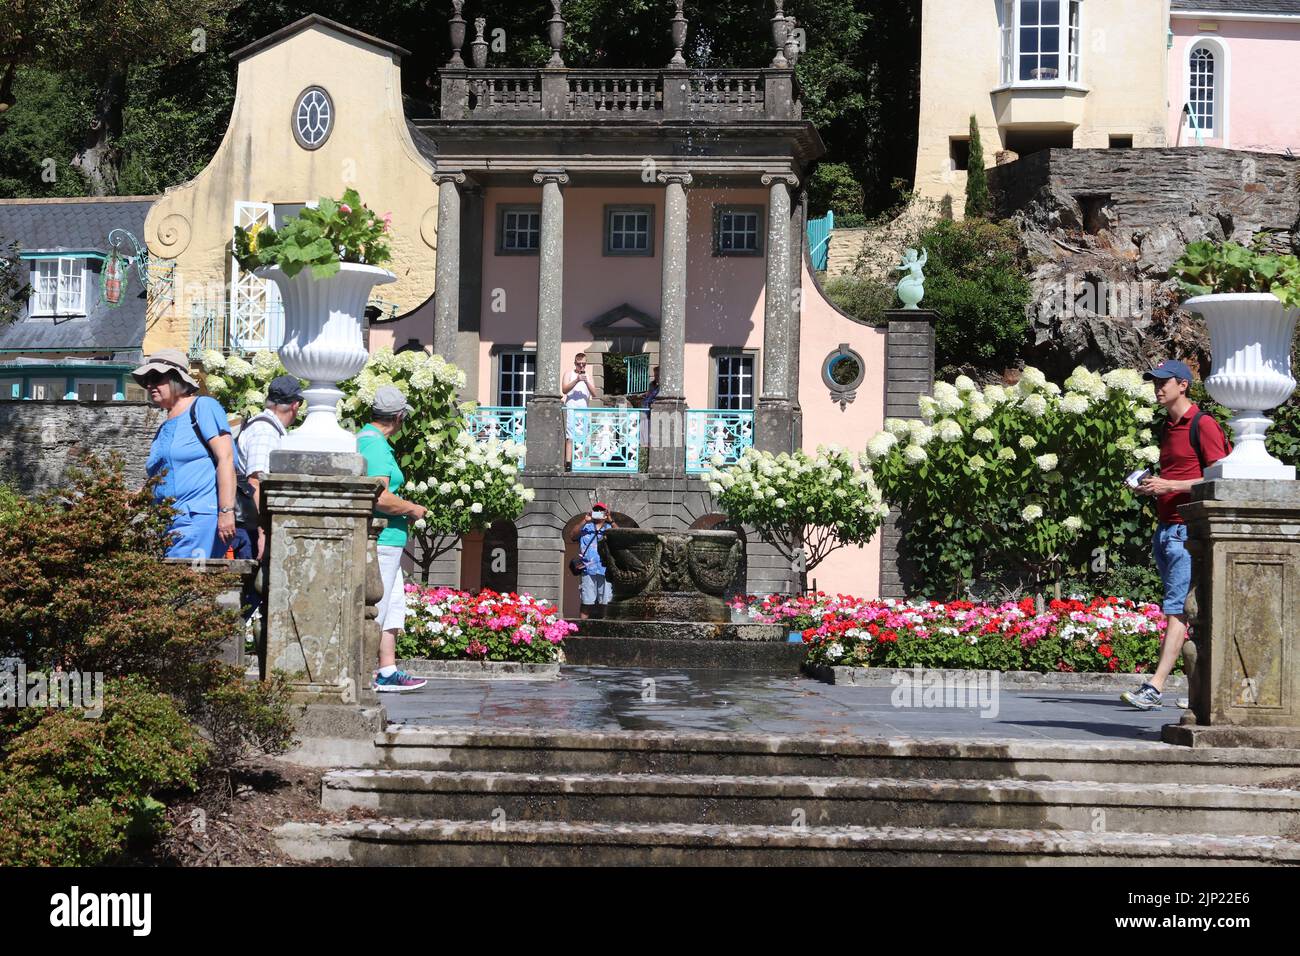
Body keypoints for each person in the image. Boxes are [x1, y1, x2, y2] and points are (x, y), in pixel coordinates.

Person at [1122, 359, 1229, 711]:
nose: (1157, 387)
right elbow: (1177, 473)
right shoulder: (1167, 427)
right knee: (1187, 613)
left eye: (1164, 382)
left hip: (1187, 531)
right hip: (1166, 529)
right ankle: (1201, 690)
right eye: (1155, 381)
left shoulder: (1204, 424)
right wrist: (1151, 484)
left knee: (1177, 610)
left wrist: (1172, 484)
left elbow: (1222, 477)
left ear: (1183, 385)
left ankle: (1155, 686)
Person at [136, 348, 252, 560]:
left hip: (196, 520)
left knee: (181, 586)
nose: (150, 385)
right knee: (176, 588)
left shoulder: (203, 407)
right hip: (167, 522)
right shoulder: (165, 425)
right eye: (147, 380)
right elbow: (162, 475)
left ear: (177, 379)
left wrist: (226, 512)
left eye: (155, 378)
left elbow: (226, 459)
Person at [357, 385, 428, 693]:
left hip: (390, 541)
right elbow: (379, 496)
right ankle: (363, 675)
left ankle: (387, 669)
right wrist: (412, 508)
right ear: (399, 417)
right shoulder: (374, 446)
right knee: (379, 606)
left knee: (392, 606)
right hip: (383, 539)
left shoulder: (367, 440)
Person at [236, 374, 304, 560]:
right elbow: (256, 482)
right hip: (249, 527)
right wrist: (263, 532)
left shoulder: (265, 427)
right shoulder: (266, 433)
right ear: (295, 405)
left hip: (248, 525)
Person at [572, 502, 617, 619]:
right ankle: (582, 629)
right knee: (586, 602)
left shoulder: (609, 528)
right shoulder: (586, 527)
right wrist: (584, 520)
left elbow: (621, 535)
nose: (598, 512)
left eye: (601, 510)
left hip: (605, 569)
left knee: (606, 603)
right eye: (596, 510)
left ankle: (604, 630)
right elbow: (573, 535)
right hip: (587, 569)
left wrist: (611, 520)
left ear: (605, 513)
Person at [562, 351, 596, 469]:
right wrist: (576, 380)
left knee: (582, 437)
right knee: (570, 436)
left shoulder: (589, 377)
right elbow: (564, 390)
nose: (581, 366)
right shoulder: (568, 374)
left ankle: (579, 463)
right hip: (571, 409)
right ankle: (568, 463)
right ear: (575, 363)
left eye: (584, 364)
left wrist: (586, 381)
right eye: (579, 364)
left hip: (583, 411)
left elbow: (595, 394)